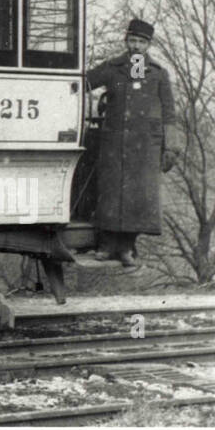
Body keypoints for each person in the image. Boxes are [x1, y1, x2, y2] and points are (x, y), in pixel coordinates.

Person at [84, 17, 182, 267]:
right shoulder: (113, 67)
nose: (136, 46)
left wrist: (170, 146)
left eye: (141, 42)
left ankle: (127, 247)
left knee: (137, 198)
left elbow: (169, 112)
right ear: (126, 41)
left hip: (145, 146)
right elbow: (83, 82)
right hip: (114, 143)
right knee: (110, 193)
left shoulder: (159, 74)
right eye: (132, 40)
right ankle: (106, 246)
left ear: (148, 45)